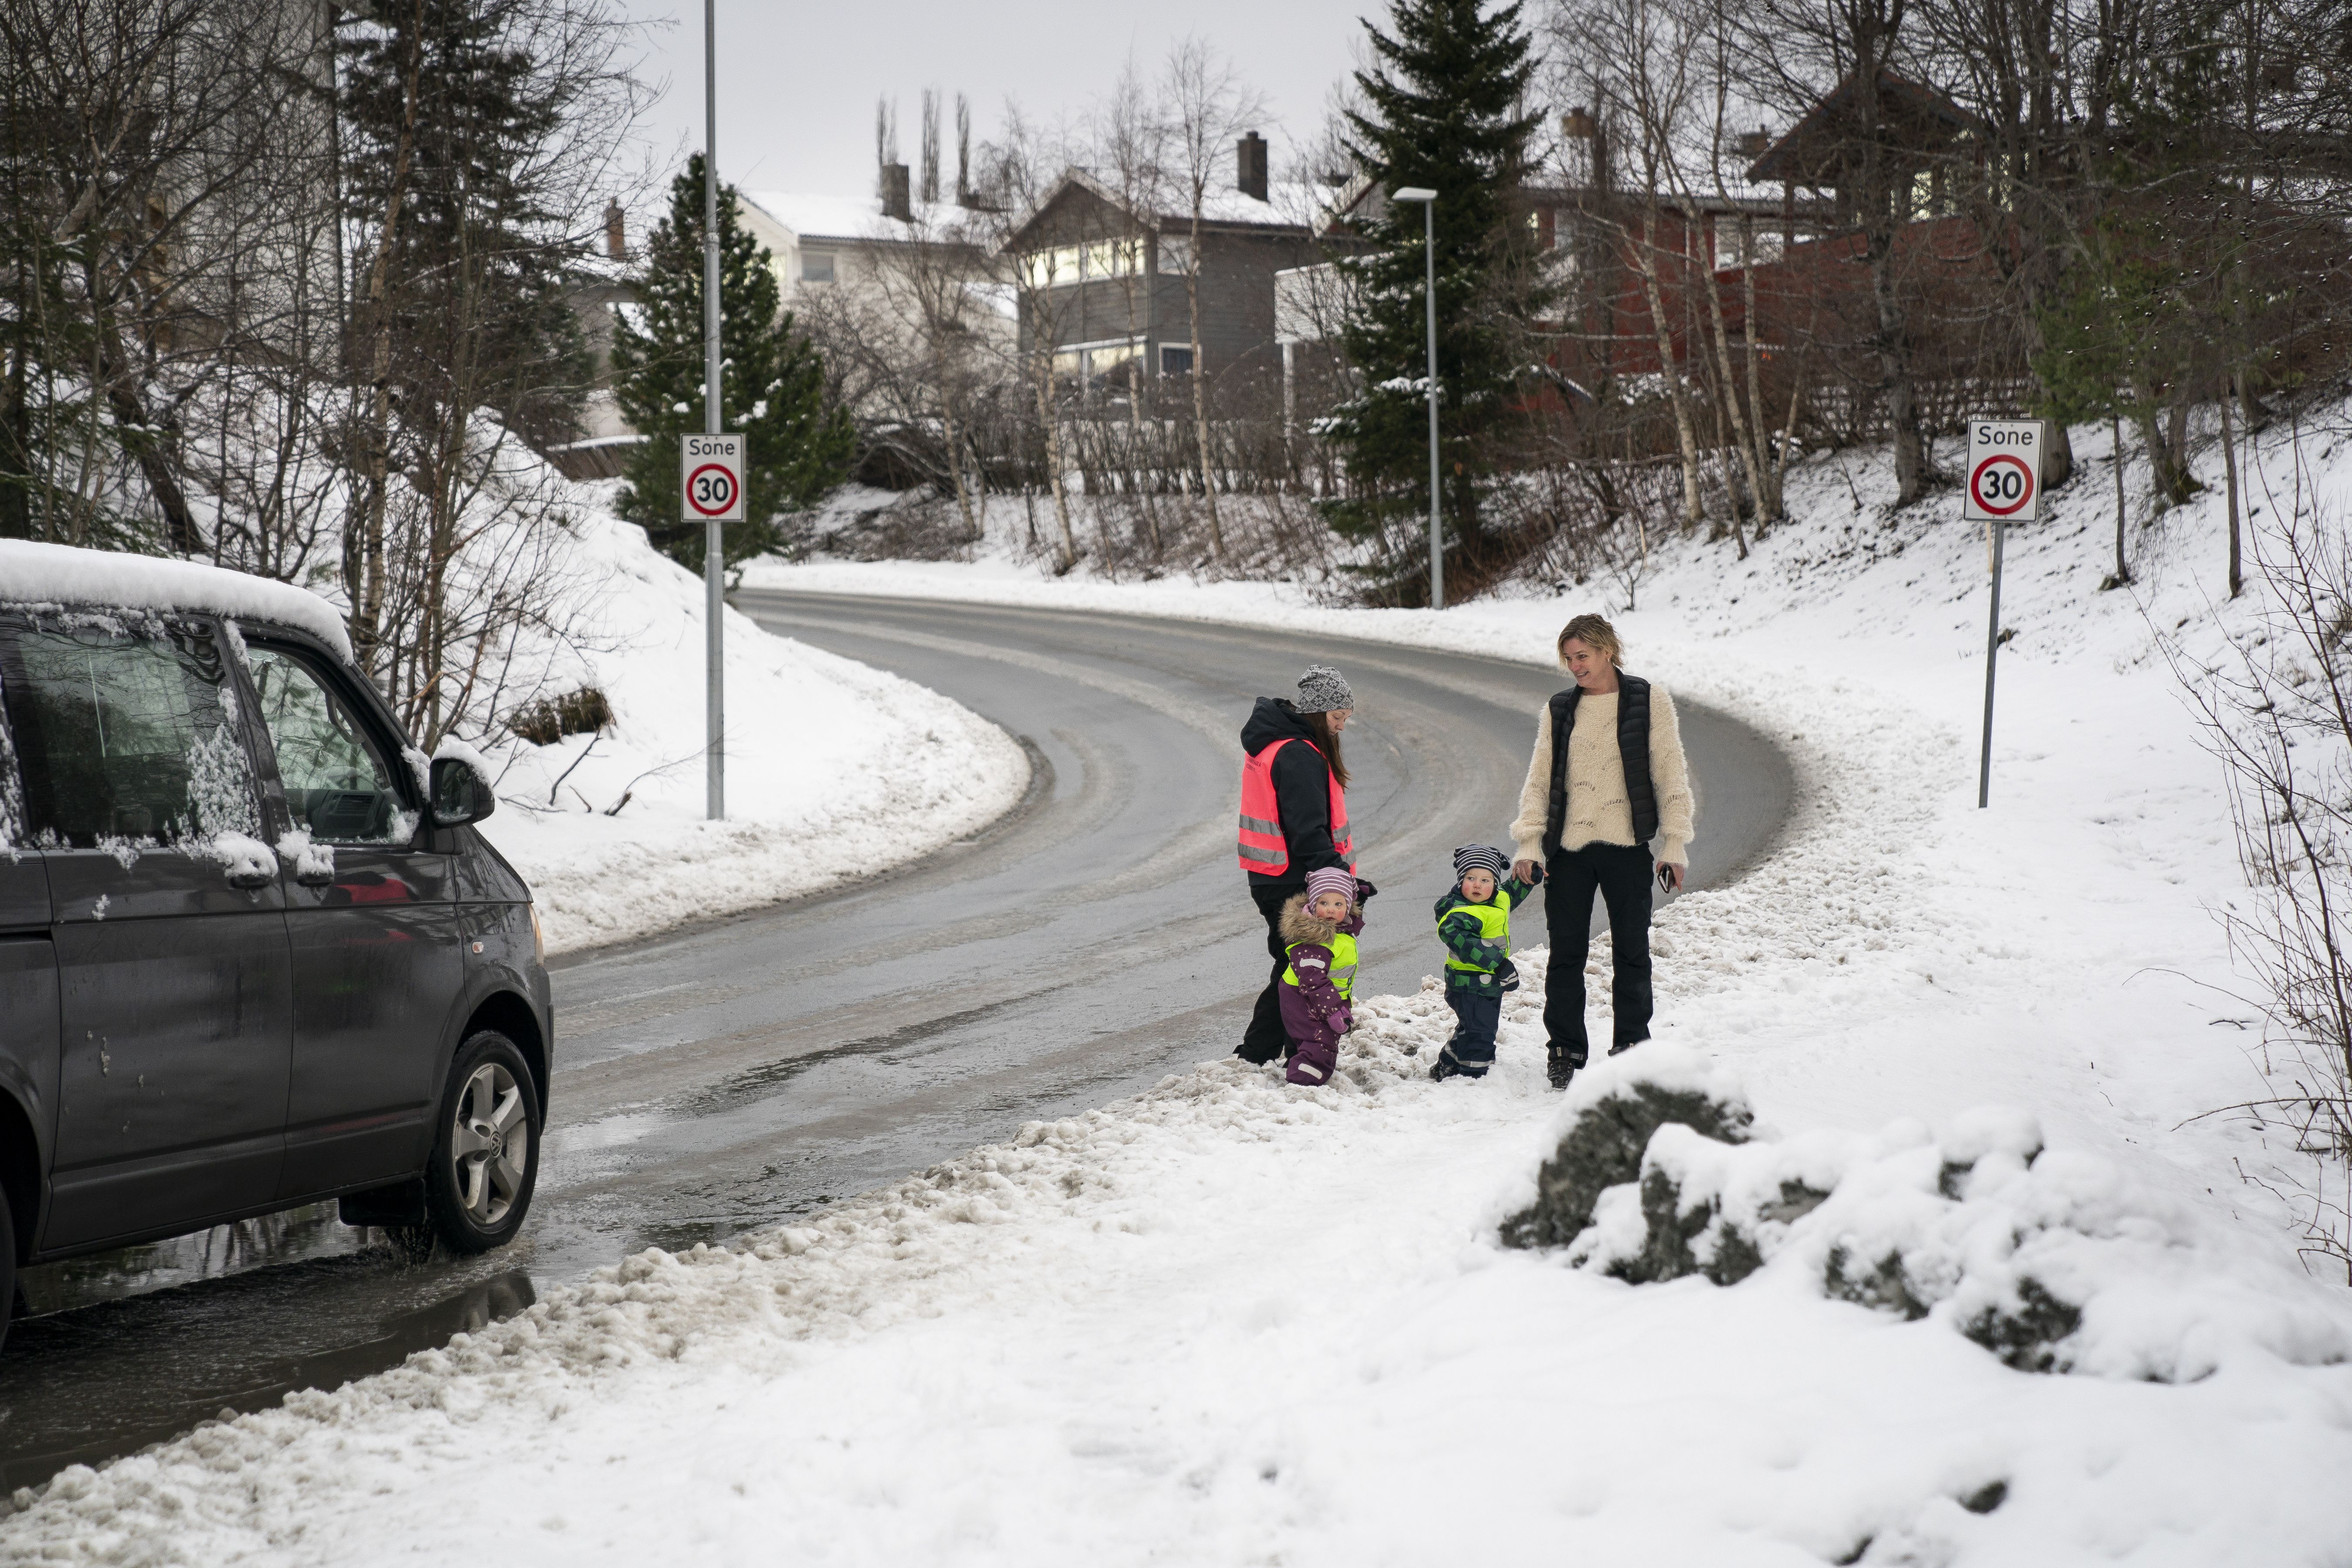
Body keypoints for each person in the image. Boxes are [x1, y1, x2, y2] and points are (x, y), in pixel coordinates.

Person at [1508, 614, 1696, 1090]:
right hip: (1568, 853)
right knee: (1565, 956)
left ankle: (1632, 1045)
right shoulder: (1559, 709)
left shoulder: (1649, 701)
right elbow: (1539, 779)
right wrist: (1530, 844)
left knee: (1632, 952)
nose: (1575, 666)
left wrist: (1674, 844)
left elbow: (1670, 773)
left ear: (1607, 651)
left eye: (1583, 656)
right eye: (1568, 658)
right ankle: (1565, 1049)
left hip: (1628, 849)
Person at [1236, 665, 1368, 1064]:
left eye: (1346, 718)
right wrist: (1340, 882)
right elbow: (1308, 830)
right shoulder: (1297, 754)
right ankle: (1270, 1054)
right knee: (1299, 969)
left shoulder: (1276, 745)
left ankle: (1265, 1053)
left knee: (1293, 965)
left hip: (1273, 875)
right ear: (1318, 712)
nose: (1342, 726)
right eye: (1338, 717)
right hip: (1294, 878)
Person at [1429, 845, 1540, 1082]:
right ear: (1461, 881)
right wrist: (1500, 964)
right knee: (1481, 1032)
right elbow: (1467, 944)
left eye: (1485, 880)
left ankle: (1448, 1062)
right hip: (1467, 985)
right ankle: (1474, 1076)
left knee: (1472, 1027)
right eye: (1471, 878)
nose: (1478, 885)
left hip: (1488, 984)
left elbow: (1510, 894)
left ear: (1494, 884)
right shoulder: (1459, 914)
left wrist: (1528, 880)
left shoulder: (1496, 899)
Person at [1278, 866, 1364, 1087]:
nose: (1331, 910)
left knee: (1324, 1041)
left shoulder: (1340, 932)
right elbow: (1312, 980)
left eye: (1339, 904)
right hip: (1303, 998)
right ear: (1313, 905)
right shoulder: (1315, 939)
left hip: (1322, 998)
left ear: (1348, 907)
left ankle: (1305, 1076)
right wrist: (1333, 1011)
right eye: (1323, 903)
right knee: (1320, 1042)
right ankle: (1302, 1084)